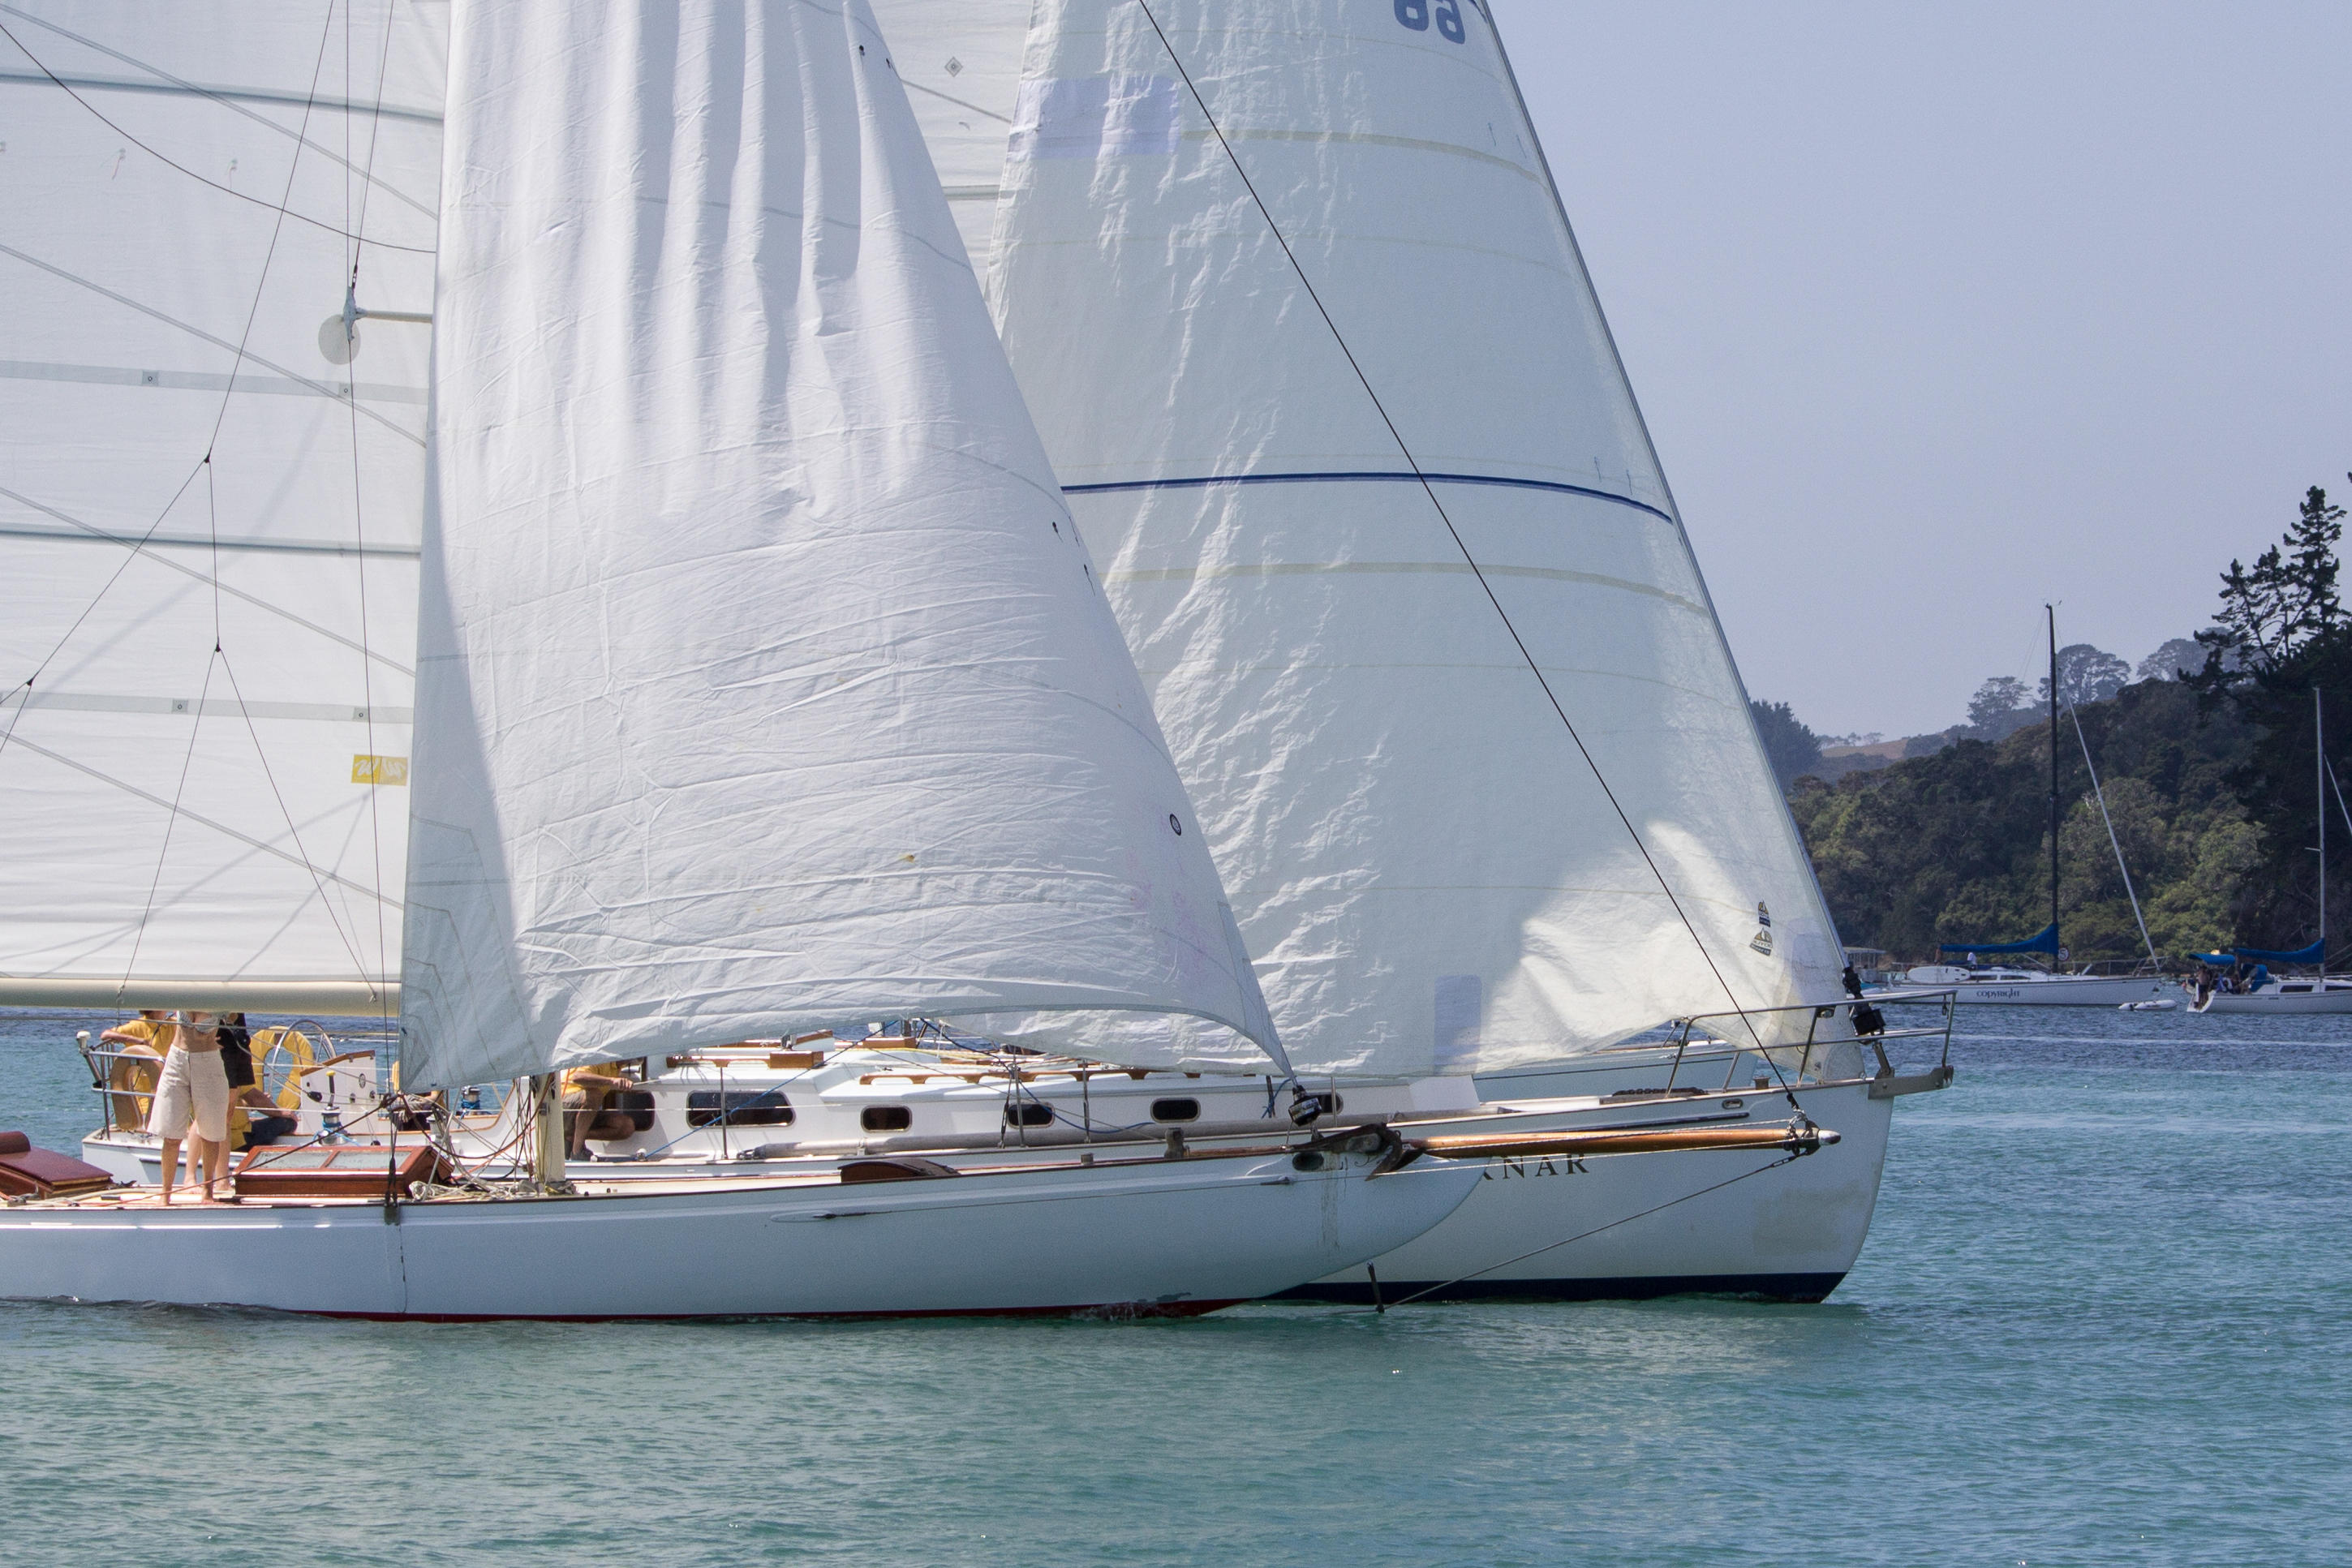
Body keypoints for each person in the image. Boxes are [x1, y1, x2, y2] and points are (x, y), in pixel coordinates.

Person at [147, 1011, 231, 1203]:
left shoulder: (217, 994)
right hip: (177, 1059)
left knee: (210, 1133)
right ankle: (165, 1194)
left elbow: (234, 1014)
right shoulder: (184, 987)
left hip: (208, 1060)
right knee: (171, 1133)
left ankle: (207, 1191)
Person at [217, 1013, 297, 1149]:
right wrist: (283, 1112)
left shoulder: (201, 1066)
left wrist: (246, 1105)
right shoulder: (230, 1063)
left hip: (210, 1135)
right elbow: (254, 1097)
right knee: (288, 1121)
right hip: (239, 1138)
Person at [563, 1059, 643, 1157]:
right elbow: (577, 1077)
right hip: (563, 1108)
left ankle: (572, 1136)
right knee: (595, 1095)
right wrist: (611, 1080)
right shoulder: (600, 1059)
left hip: (582, 1112)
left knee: (626, 1126)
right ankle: (577, 1152)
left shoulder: (617, 1067)